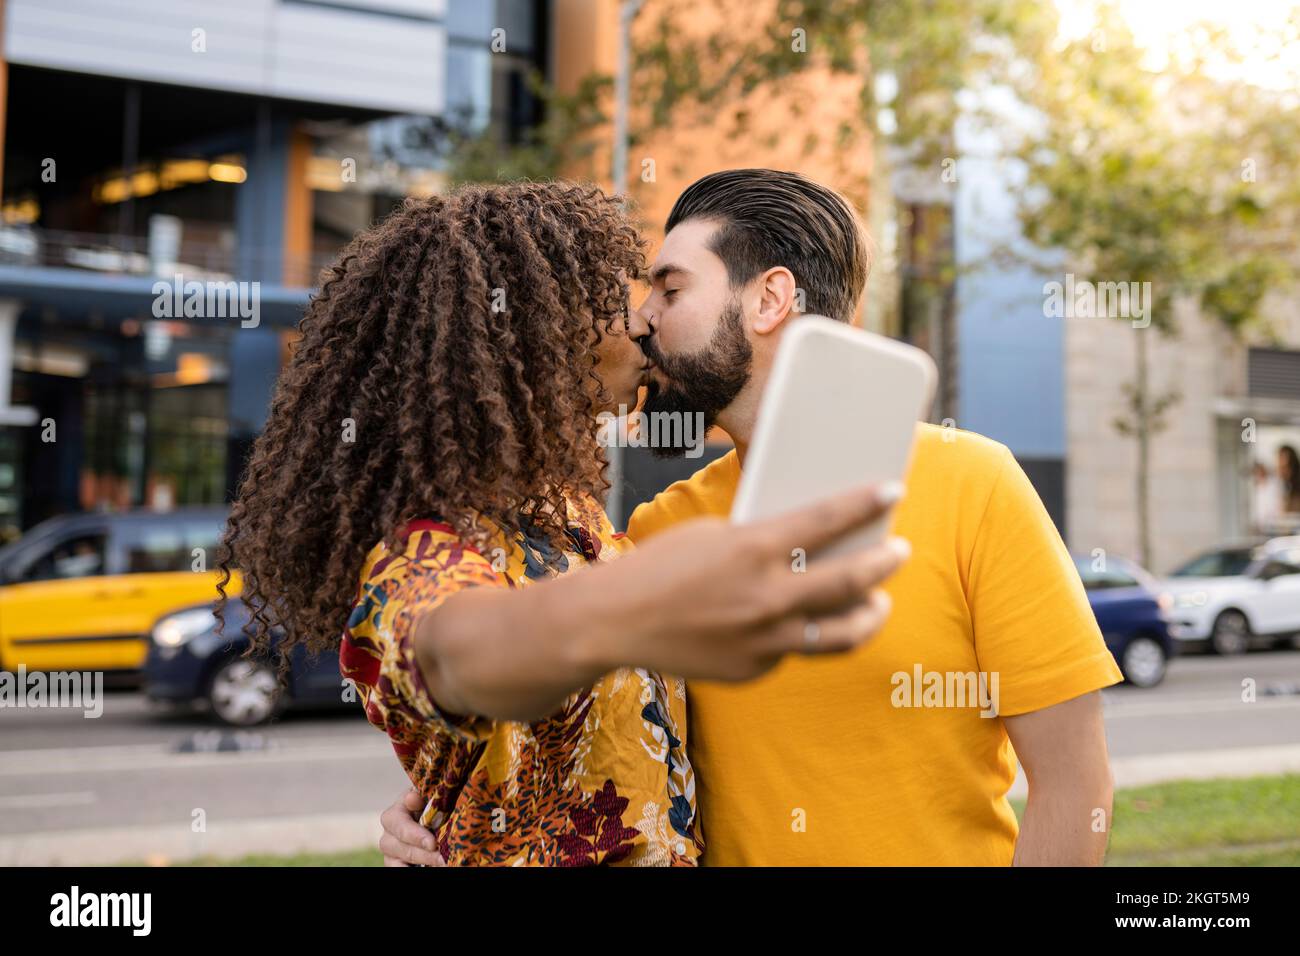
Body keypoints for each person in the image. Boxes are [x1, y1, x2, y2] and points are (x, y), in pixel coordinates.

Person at [381, 169, 1121, 867]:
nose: (642, 319)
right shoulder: (652, 533)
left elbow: (1074, 785)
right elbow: (544, 702)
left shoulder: (974, 483)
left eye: (670, 289)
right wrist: (447, 800)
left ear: (769, 300)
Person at [219, 180, 907, 866]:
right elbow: (456, 653)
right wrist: (627, 608)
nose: (641, 322)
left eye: (659, 296)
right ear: (526, 334)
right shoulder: (424, 552)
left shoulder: (582, 527)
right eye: (615, 303)